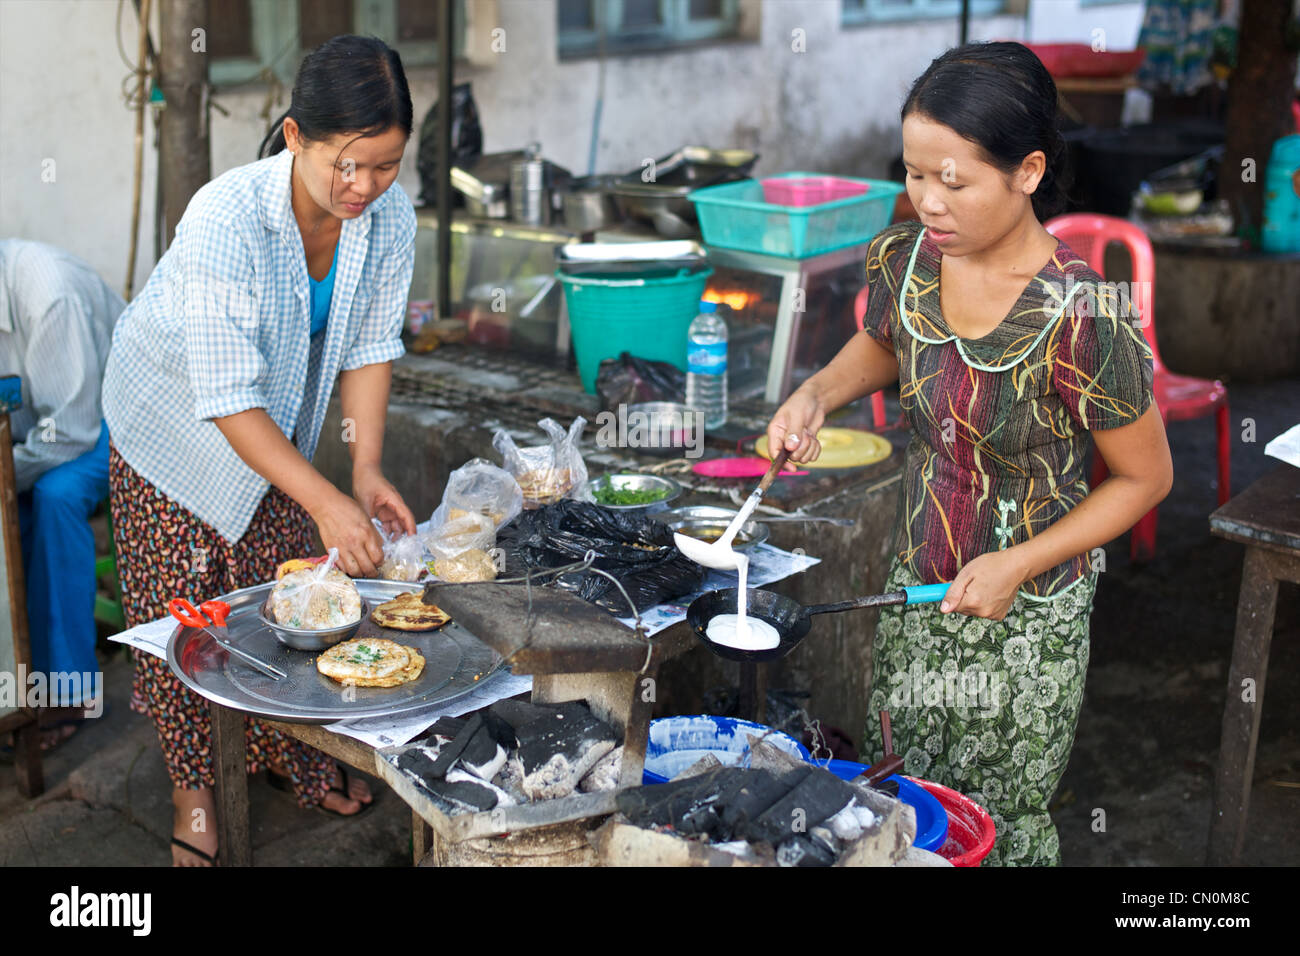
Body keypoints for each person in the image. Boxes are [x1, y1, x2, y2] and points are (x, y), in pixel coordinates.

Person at [765, 41, 1173, 866]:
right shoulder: (910, 257)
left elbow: (1147, 477)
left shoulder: (1080, 312)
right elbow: (888, 344)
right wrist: (815, 394)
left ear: (1027, 171)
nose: (929, 202)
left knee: (997, 822)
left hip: (1030, 611)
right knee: (908, 798)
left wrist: (1021, 563)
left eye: (954, 181)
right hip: (918, 583)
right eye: (916, 174)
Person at [101, 35, 419, 866]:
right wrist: (323, 498)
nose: (363, 188)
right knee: (187, 618)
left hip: (272, 424)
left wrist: (364, 470)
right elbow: (224, 395)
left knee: (284, 605)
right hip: (172, 421)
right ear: (293, 136)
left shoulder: (388, 217)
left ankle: (287, 757)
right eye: (345, 166)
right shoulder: (225, 218)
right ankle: (193, 794)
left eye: (384, 166)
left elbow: (370, 347)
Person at [1, 239, 123, 747]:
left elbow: (70, 432)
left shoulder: (48, 293)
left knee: (51, 497)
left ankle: (69, 688)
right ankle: (17, 684)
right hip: (39, 436)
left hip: (113, 422)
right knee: (18, 505)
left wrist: (5, 481)